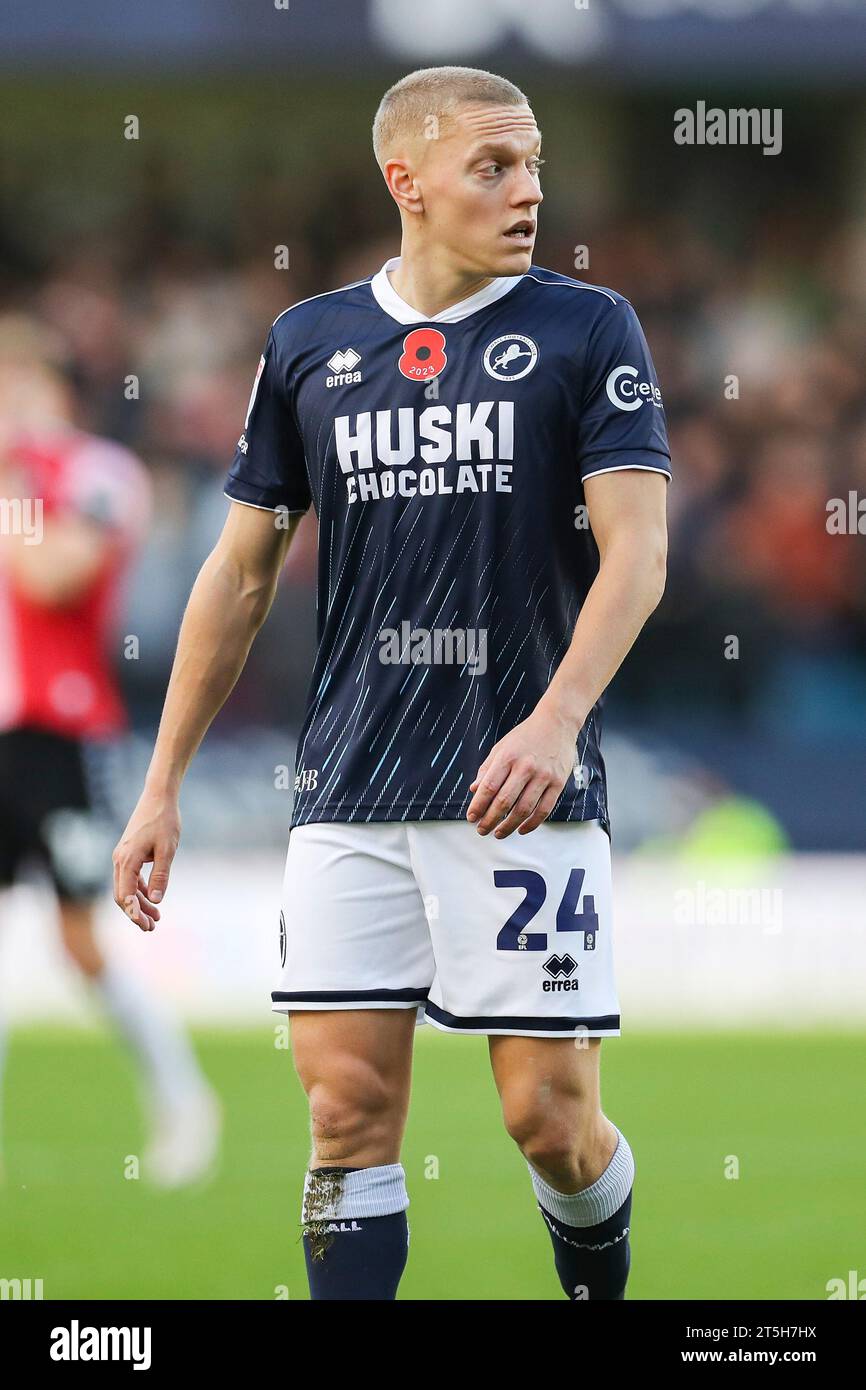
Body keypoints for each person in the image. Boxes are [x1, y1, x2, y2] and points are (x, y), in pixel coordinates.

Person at [113, 65, 670, 1298]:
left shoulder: (588, 330)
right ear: (404, 181)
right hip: (348, 788)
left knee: (551, 1123)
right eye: (493, 167)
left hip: (520, 788)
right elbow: (241, 571)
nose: (527, 191)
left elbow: (638, 553)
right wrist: (161, 785)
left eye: (531, 165)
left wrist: (556, 718)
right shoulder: (308, 342)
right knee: (345, 1112)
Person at [0, 316, 220, 1187]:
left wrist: (14, 483)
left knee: (79, 939)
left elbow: (54, 577)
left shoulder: (95, 473)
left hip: (60, 734)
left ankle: (181, 1095)